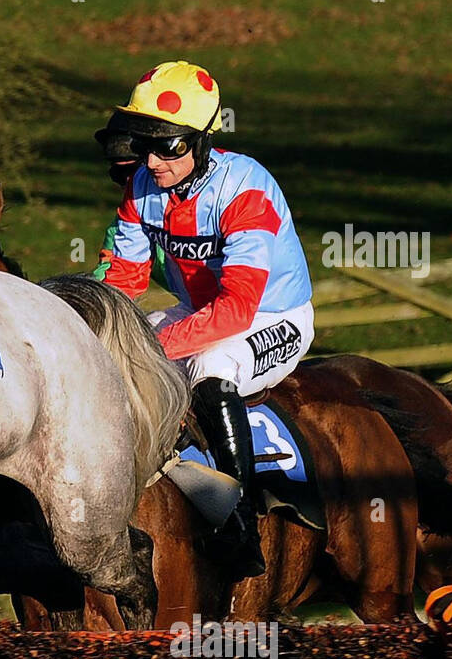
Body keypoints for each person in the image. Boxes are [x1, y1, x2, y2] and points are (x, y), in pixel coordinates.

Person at [94, 60, 315, 580]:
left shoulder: (246, 190)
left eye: (167, 146)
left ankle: (238, 524)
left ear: (201, 141)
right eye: (144, 145)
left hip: (270, 315)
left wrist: (152, 349)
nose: (152, 160)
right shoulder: (141, 188)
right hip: (199, 309)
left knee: (211, 377)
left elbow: (237, 309)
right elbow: (123, 280)